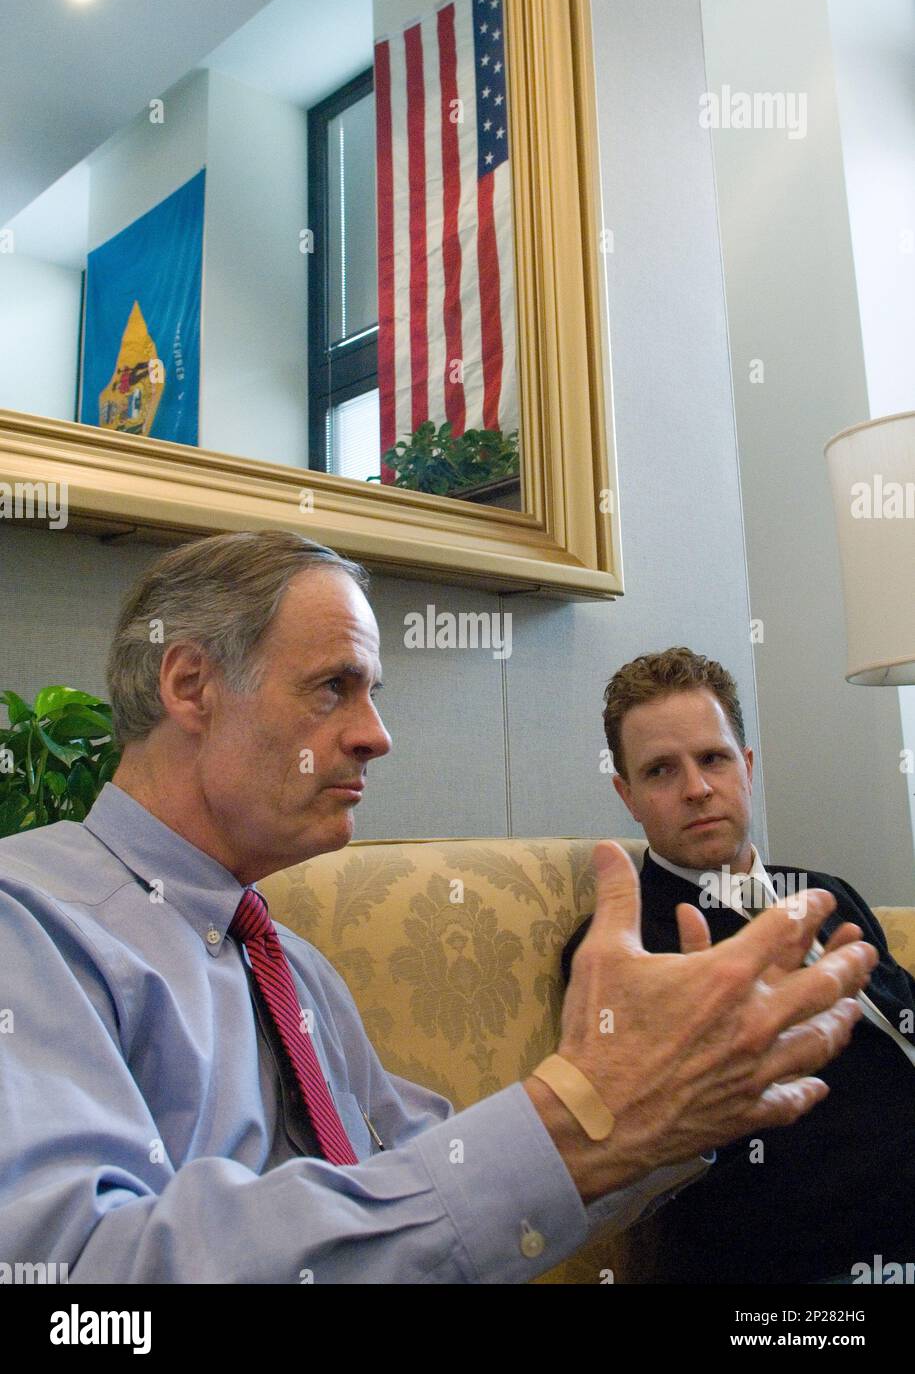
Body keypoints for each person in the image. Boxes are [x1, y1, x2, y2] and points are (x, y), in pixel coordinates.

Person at [0, 534, 875, 1284]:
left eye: (372, 693)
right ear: (191, 685)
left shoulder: (296, 968)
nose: (376, 735)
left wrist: (668, 1112)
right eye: (333, 686)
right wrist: (580, 1121)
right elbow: (78, 1282)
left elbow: (435, 1182)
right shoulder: (30, 919)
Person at [562, 646, 915, 1284]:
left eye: (713, 759)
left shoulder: (825, 892)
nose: (697, 789)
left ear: (746, 767)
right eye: (661, 771)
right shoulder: (620, 946)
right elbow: (647, 1146)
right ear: (627, 796)